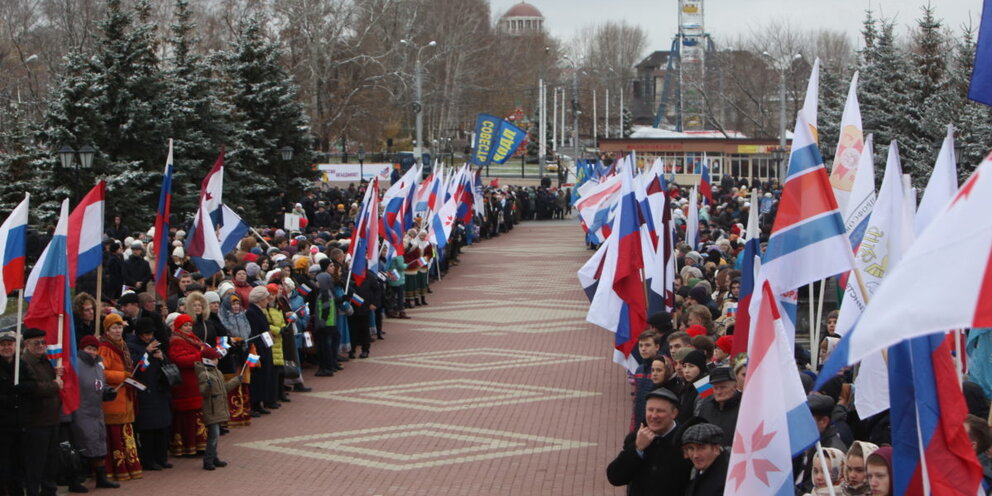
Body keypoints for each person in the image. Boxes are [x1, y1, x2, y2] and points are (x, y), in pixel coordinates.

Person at [606, 388, 692, 495]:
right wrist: (637, 448)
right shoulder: (636, 437)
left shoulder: (686, 441)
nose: (654, 416)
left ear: (674, 413)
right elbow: (615, 477)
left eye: (660, 411)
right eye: (650, 410)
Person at [18, 327, 63, 496]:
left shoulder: (45, 360)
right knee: (36, 462)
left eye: (43, 342)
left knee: (51, 462)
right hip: (36, 420)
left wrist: (56, 375)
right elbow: (34, 388)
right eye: (37, 343)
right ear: (27, 344)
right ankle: (33, 492)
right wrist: (54, 384)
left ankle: (49, 491)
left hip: (51, 418)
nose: (41, 345)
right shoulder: (24, 363)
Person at [98, 313, 143, 481]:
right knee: (116, 437)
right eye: (114, 328)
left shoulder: (123, 345)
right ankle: (117, 469)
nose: (118, 331)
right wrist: (122, 376)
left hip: (126, 396)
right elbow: (103, 372)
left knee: (126, 436)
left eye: (120, 327)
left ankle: (130, 466)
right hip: (114, 398)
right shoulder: (105, 348)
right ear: (107, 330)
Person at [72, 335, 120, 489]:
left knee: (99, 445)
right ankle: (75, 480)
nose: (92, 352)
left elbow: (100, 385)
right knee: (83, 446)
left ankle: (101, 477)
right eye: (89, 349)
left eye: (94, 349)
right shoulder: (76, 365)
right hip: (81, 411)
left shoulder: (99, 365)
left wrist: (108, 392)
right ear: (82, 349)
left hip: (96, 411)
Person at [126, 318, 172, 471]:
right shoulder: (132, 346)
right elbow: (135, 368)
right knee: (148, 430)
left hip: (160, 390)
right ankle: (149, 460)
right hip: (145, 392)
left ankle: (162, 457)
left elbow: (168, 364)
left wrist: (162, 357)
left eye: (151, 333)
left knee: (163, 427)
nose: (149, 336)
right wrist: (146, 352)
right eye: (146, 334)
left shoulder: (156, 344)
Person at [168, 314, 211, 456]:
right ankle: (187, 446)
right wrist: (200, 356)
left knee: (197, 413)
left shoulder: (193, 338)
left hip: (195, 380)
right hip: (185, 382)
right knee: (187, 416)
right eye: (185, 325)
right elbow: (178, 360)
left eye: (189, 325)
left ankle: (199, 444)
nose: (188, 328)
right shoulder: (176, 340)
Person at [196, 354, 242, 470]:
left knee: (214, 435)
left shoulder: (217, 372)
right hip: (211, 409)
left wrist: (236, 381)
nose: (217, 360)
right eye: (214, 359)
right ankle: (208, 459)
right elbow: (203, 392)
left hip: (218, 407)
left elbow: (224, 388)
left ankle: (213, 457)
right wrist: (207, 386)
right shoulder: (204, 374)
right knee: (214, 434)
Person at [0, 329, 23, 495]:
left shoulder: (20, 365)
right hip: (3, 422)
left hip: (20, 422)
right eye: (3, 345)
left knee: (18, 459)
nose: (6, 347)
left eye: (9, 344)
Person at [681, 423, 730, 495]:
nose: (695, 455)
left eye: (701, 448)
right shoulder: (699, 472)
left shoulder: (728, 480)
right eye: (691, 448)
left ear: (716, 449)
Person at [696, 367, 740, 446]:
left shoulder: (744, 408)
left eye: (723, 387)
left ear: (735, 386)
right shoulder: (706, 405)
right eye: (715, 388)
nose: (718, 392)